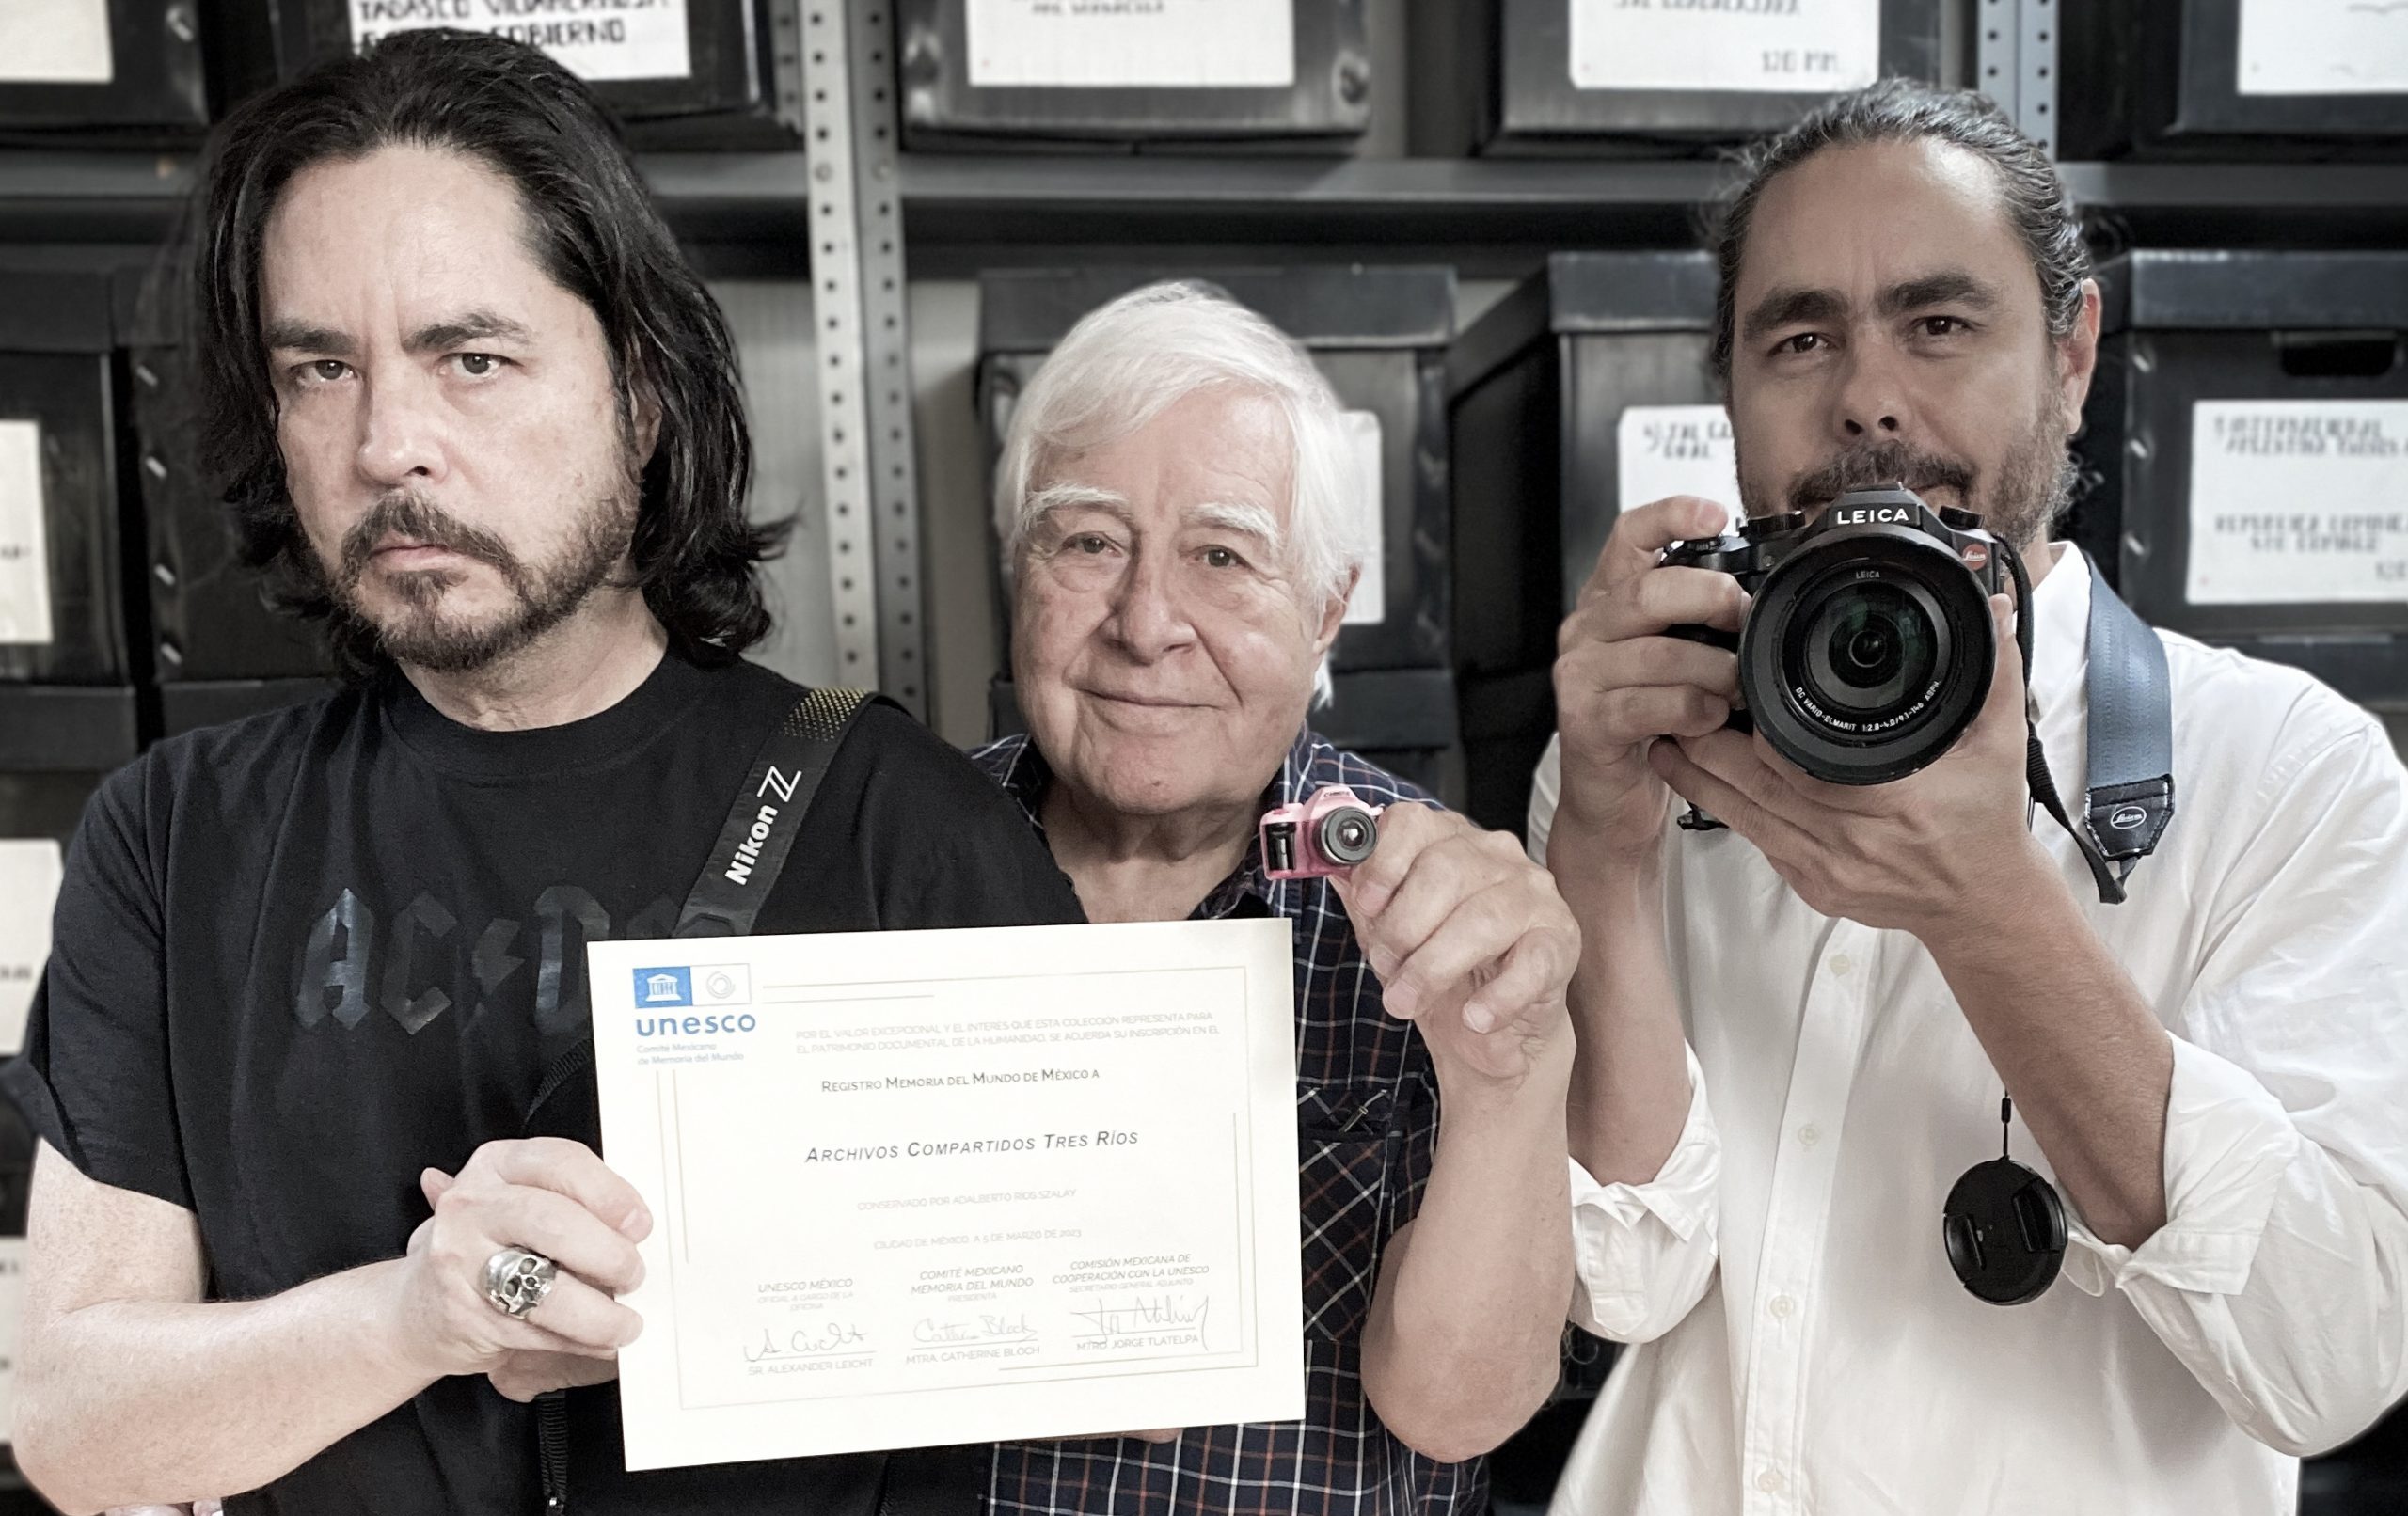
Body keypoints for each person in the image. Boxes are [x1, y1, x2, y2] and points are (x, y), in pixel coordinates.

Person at [1, 30, 1081, 1516]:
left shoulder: (912, 829)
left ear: (642, 396)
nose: (389, 445)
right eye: (322, 369)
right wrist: (417, 1314)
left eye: (473, 358)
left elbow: (1055, 1389)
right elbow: (72, 1428)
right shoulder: (172, 840)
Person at [1531, 78, 2408, 1514]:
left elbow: (2333, 1359)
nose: (1869, 396)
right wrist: (1604, 858)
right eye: (1800, 337)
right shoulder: (1642, 751)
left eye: (1940, 325)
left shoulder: (2290, 774)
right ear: (1731, 387)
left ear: (2072, 357)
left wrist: (1991, 911)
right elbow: (1615, 1286)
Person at [972, 281, 1582, 1516]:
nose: (1148, 625)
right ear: (1018, 571)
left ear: (1323, 609)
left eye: (1221, 555)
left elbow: (1458, 1410)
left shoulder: (1433, 913)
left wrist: (1506, 1076)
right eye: (1088, 540)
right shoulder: (884, 864)